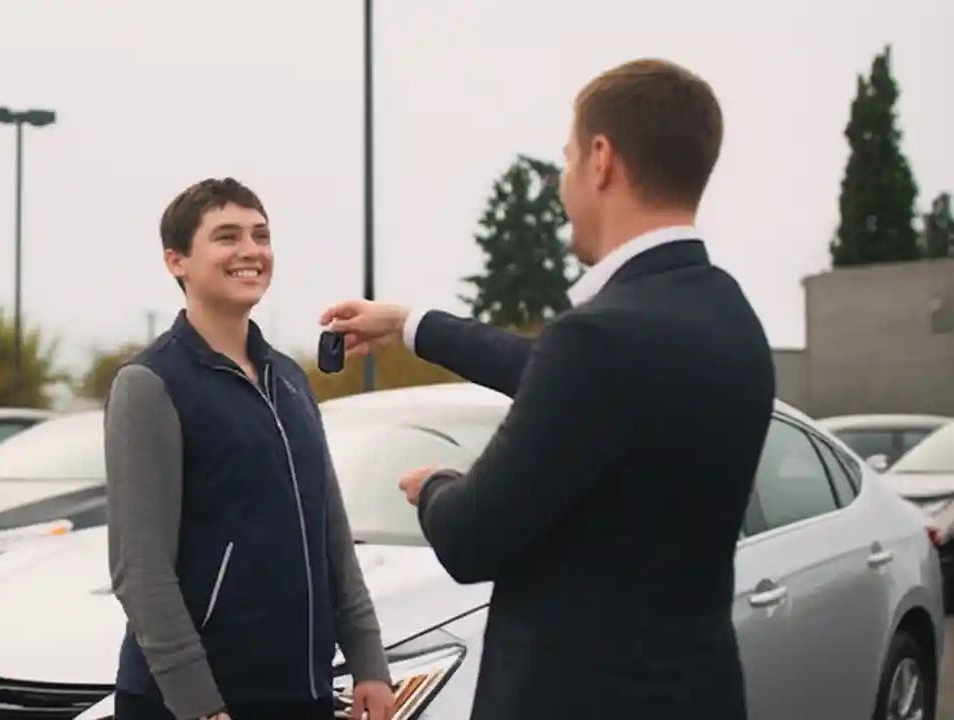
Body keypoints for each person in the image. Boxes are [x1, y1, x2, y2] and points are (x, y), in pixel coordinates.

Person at [320, 59, 774, 720]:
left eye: (565, 162)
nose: (563, 186)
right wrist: (411, 325)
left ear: (601, 159)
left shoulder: (600, 340)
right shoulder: (729, 317)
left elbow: (473, 538)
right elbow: (568, 378)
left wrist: (437, 486)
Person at [105, 178, 396, 720]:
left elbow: (330, 533)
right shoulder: (150, 384)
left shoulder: (287, 377)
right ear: (177, 261)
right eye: (227, 236)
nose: (250, 251)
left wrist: (369, 664)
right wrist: (199, 706)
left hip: (300, 695)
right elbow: (139, 570)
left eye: (261, 235)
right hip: (194, 704)